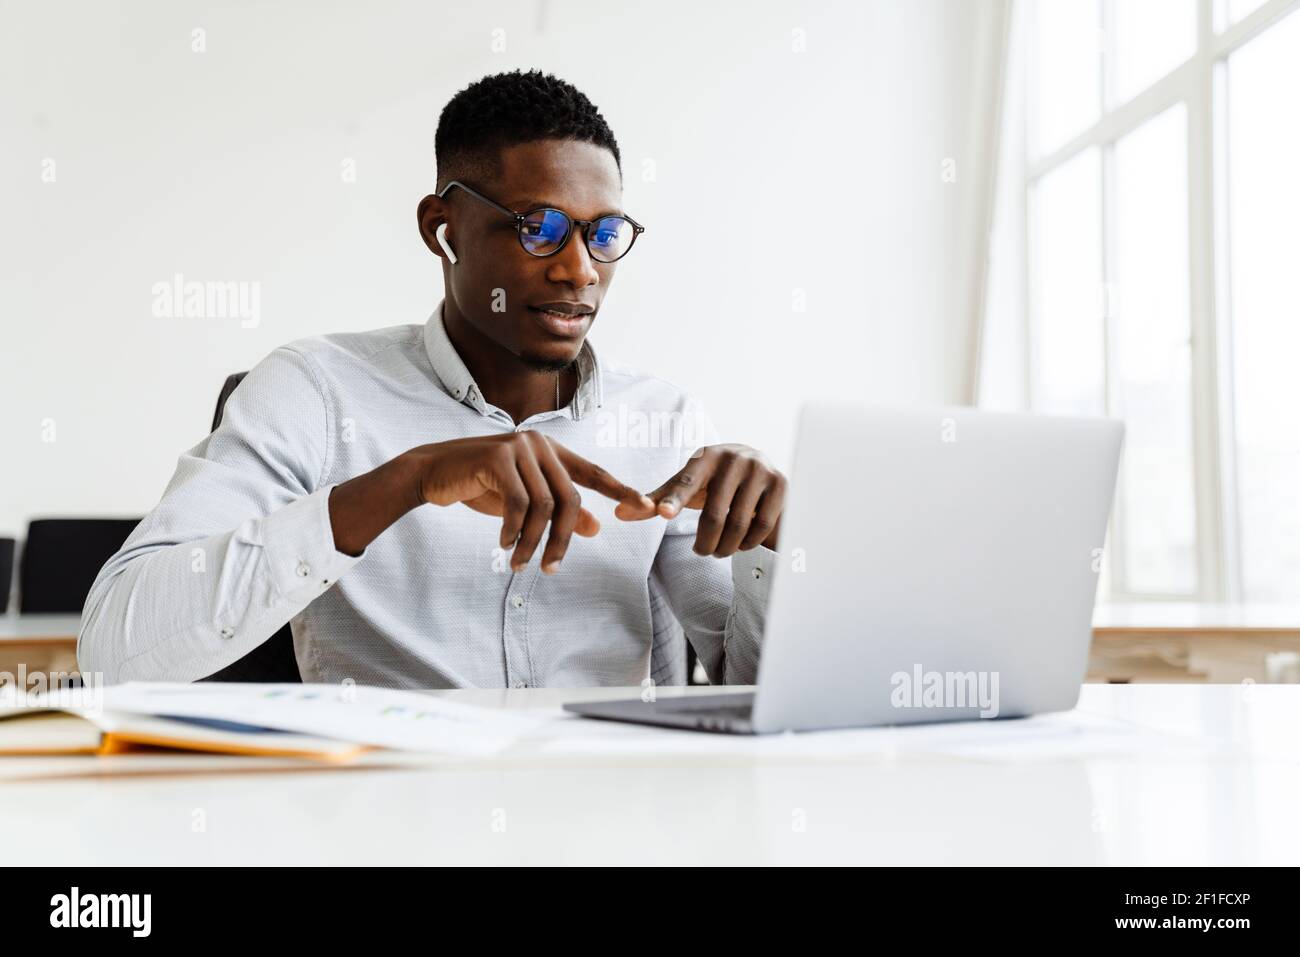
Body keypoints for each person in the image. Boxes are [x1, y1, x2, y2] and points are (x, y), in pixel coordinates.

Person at [79, 69, 786, 689]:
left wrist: (777, 544)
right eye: (539, 227)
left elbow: (754, 686)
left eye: (603, 234)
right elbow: (114, 649)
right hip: (390, 819)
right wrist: (405, 481)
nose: (579, 269)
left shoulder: (663, 422)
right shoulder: (317, 391)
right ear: (442, 228)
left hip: (610, 816)